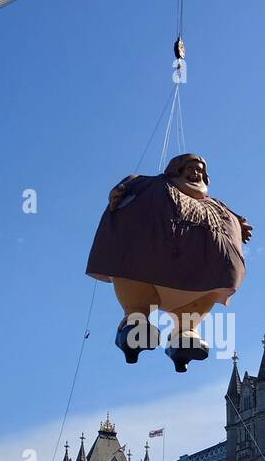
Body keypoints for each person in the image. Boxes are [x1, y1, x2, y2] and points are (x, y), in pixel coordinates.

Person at [86, 154, 253, 372]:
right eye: (191, 169)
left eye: (200, 171)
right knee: (135, 270)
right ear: (176, 170)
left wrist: (238, 225)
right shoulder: (150, 185)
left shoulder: (214, 206)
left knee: (208, 289)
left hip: (197, 277)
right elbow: (127, 185)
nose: (196, 174)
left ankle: (185, 334)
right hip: (148, 268)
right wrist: (120, 190)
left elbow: (232, 216)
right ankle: (137, 321)